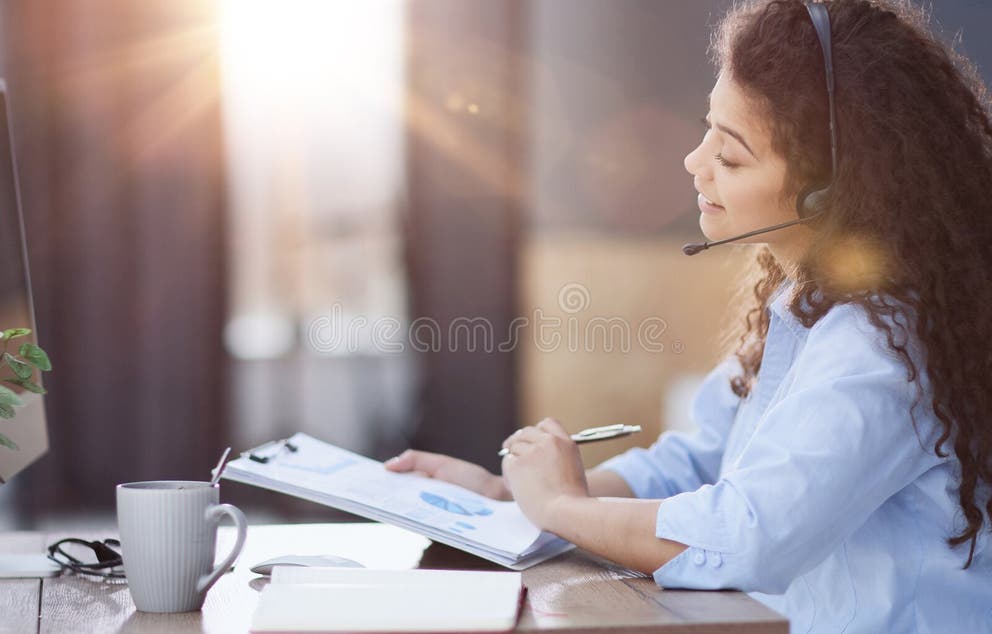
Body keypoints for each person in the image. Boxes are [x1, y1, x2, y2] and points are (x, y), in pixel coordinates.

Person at [386, 0, 992, 630]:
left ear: (827, 195)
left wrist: (561, 507)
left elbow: (745, 535)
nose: (694, 163)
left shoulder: (883, 346)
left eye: (730, 157)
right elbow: (700, 462)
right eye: (709, 130)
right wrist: (507, 494)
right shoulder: (802, 305)